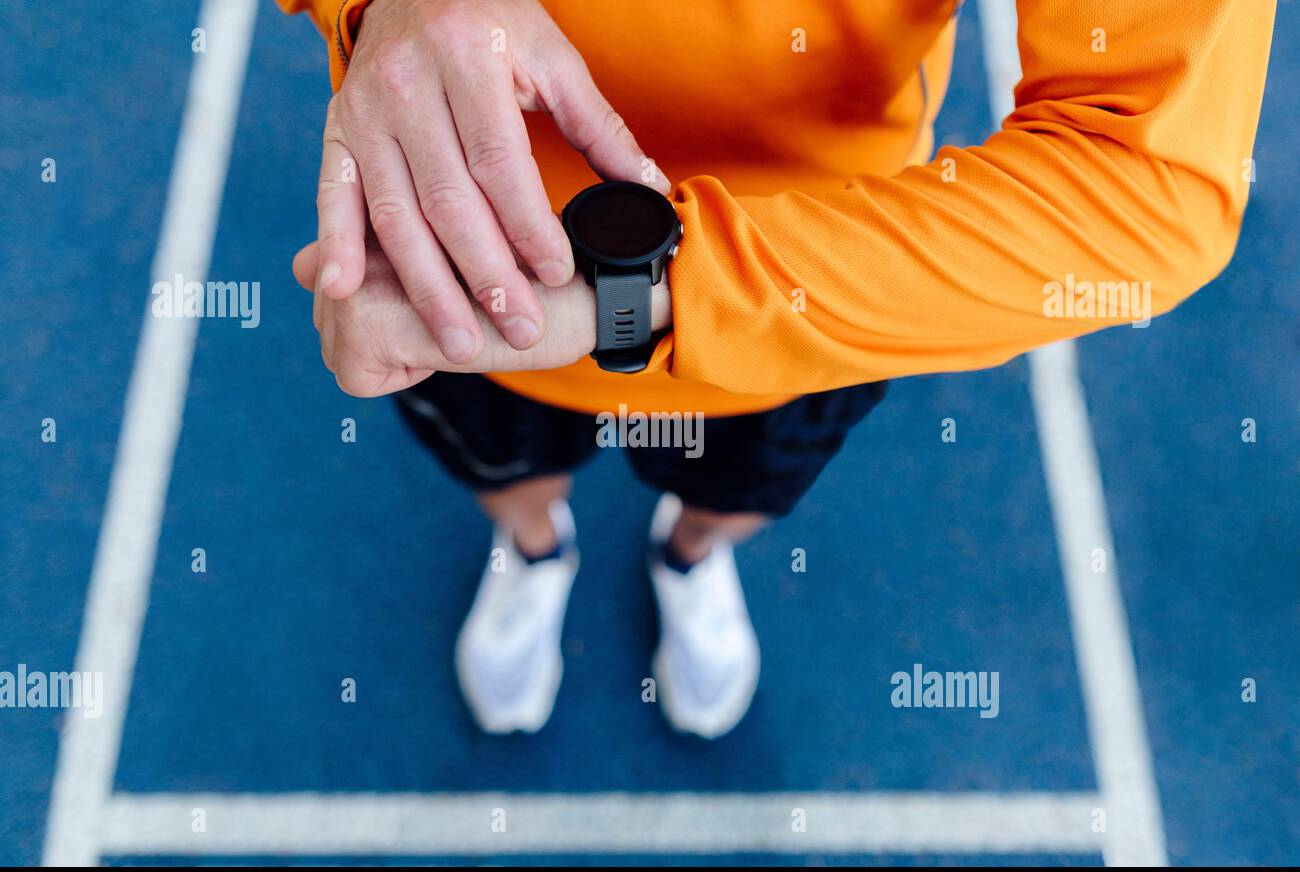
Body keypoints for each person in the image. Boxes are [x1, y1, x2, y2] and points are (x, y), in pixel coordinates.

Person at [278, 0, 1274, 737]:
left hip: (808, 283)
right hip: (460, 239)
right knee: (508, 475)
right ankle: (537, 552)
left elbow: (1148, 174)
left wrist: (667, 291)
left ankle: (689, 555)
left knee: (739, 490)